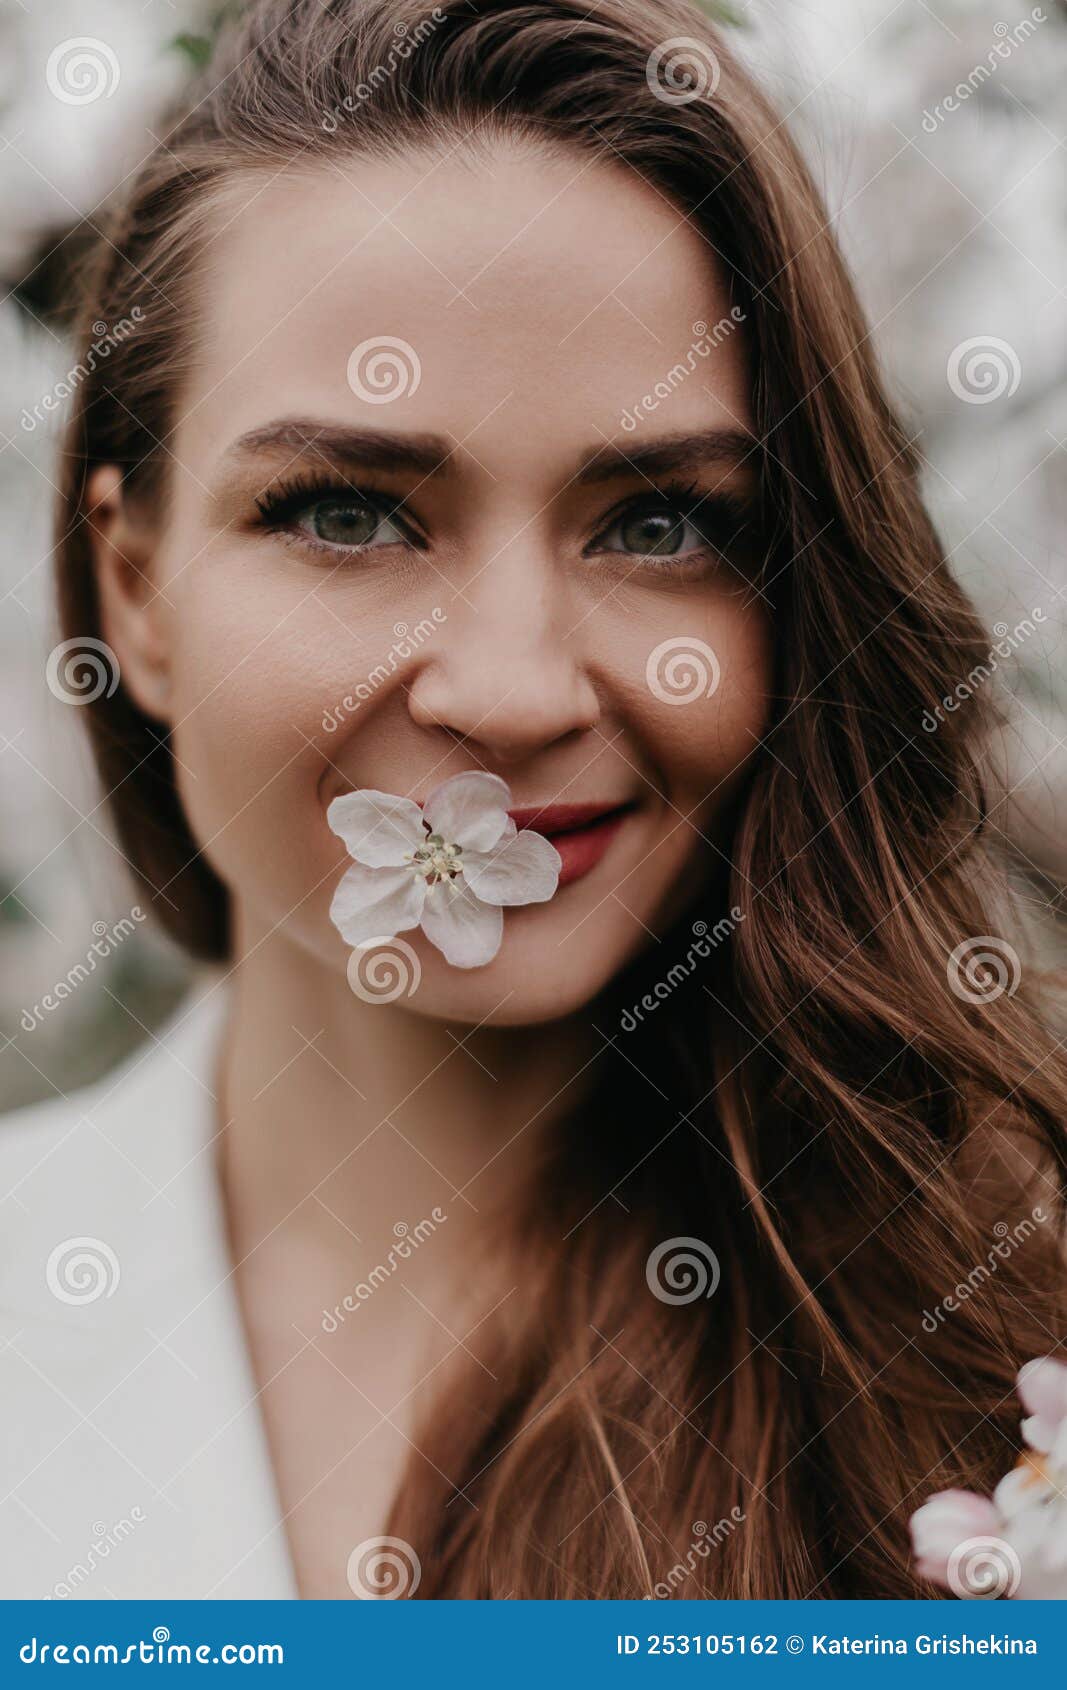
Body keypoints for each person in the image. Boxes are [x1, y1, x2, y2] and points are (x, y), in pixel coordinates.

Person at [3, 0, 1064, 1600]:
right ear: (135, 586)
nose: (511, 689)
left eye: (658, 523)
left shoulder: (1008, 1326)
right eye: (350, 512)